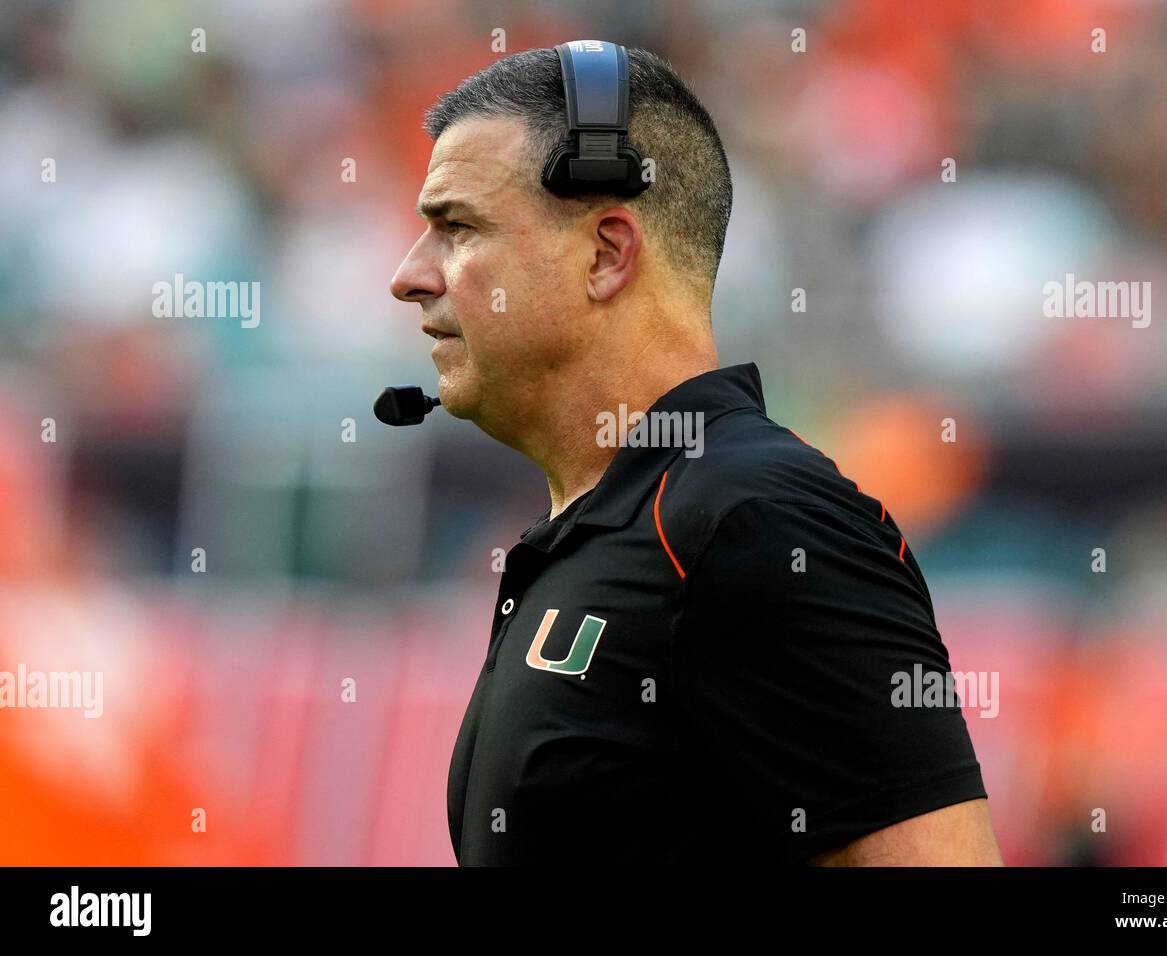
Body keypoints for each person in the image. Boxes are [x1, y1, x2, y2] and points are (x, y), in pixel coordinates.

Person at [389, 44, 1002, 866]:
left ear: (607, 253)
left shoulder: (758, 519)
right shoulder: (621, 524)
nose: (409, 276)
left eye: (456, 227)